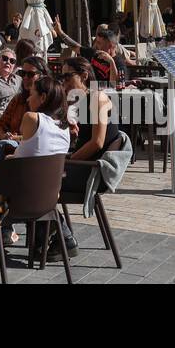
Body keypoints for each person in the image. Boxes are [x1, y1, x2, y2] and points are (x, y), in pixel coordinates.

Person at [0, 73, 70, 269]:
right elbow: (32, 156)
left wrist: (12, 158)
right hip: (46, 200)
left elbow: (19, 159)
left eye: (32, 94)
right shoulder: (65, 128)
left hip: (14, 198)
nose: (28, 98)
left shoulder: (32, 117)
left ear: (43, 98)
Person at [54, 57, 121, 260]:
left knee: (36, 184)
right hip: (81, 165)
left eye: (67, 76)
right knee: (32, 180)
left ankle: (61, 237)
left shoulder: (98, 98)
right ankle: (51, 237)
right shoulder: (80, 101)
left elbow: (97, 142)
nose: (63, 81)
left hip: (91, 171)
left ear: (83, 76)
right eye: (61, 77)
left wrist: (68, 160)